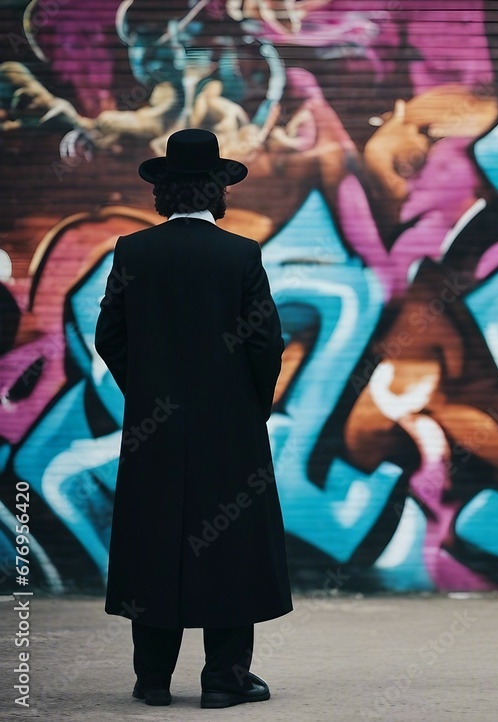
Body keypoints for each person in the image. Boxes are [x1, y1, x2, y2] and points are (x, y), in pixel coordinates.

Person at [95, 128, 292, 709]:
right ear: (216, 191)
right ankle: (224, 679)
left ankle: (153, 680)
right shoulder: (240, 253)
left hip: (153, 429)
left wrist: (148, 390)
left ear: (164, 193)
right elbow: (266, 344)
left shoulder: (133, 251)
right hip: (228, 431)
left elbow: (111, 337)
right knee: (230, 548)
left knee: (153, 541)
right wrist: (249, 407)